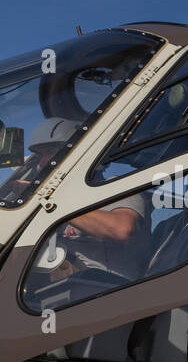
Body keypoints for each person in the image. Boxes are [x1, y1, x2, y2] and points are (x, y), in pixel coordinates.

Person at [21, 117, 151, 285]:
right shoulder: (53, 200)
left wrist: (45, 200)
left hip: (110, 291)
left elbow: (121, 229)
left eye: (50, 152)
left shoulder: (116, 186)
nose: (43, 162)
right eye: (40, 155)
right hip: (59, 294)